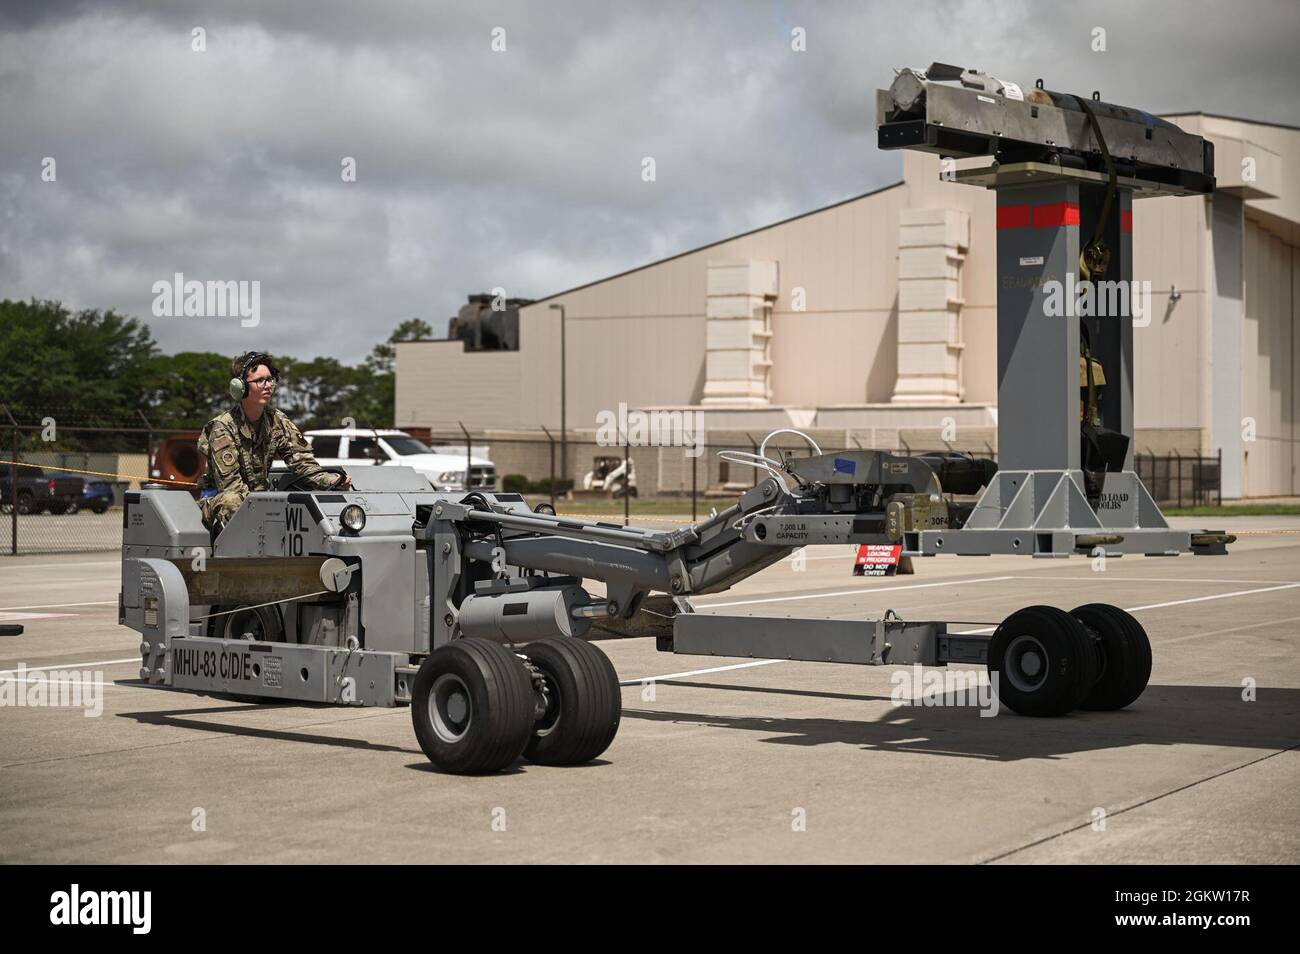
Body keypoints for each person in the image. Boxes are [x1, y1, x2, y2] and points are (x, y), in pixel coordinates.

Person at [197, 352, 351, 531]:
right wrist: (269, 508)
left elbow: (302, 463)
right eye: (260, 381)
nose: (268, 385)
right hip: (221, 504)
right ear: (240, 387)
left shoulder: (277, 420)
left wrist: (331, 481)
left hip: (258, 500)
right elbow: (231, 487)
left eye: (270, 379)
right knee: (233, 501)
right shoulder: (223, 427)